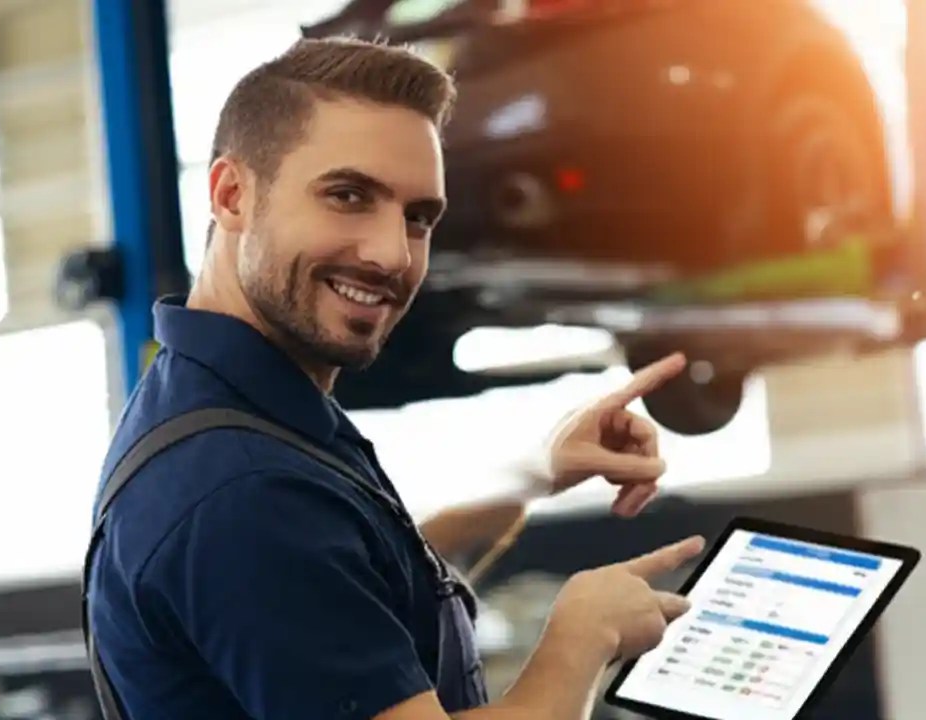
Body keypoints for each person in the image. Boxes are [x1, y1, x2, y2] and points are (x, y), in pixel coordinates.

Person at [84, 36, 705, 720]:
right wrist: (584, 637)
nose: (391, 254)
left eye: (418, 218)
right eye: (347, 195)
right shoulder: (245, 488)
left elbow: (344, 593)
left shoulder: (227, 408)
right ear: (232, 195)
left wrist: (532, 474)